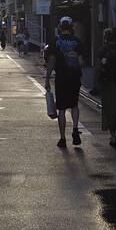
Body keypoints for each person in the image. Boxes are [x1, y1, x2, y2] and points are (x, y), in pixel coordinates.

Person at [45, 14, 84, 149]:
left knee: (61, 108)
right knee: (74, 105)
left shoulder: (55, 42)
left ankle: (62, 138)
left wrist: (47, 79)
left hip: (61, 78)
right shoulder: (77, 42)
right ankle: (74, 129)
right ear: (71, 27)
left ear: (60, 27)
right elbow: (80, 62)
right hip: (74, 77)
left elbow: (51, 61)